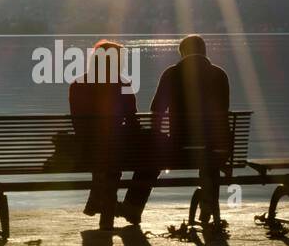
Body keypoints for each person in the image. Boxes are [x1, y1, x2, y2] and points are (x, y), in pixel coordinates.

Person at [120, 34, 230, 225]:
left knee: (149, 156)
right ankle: (208, 207)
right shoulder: (219, 74)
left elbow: (156, 110)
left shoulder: (172, 74)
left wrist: (159, 134)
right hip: (218, 149)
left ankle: (133, 207)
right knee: (209, 156)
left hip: (179, 149)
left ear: (183, 53)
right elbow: (224, 110)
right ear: (204, 51)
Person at [69, 39, 137, 227]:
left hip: (87, 149)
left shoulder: (77, 83)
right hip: (115, 150)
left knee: (103, 150)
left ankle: (97, 198)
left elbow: (78, 123)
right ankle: (106, 207)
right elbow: (132, 120)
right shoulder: (122, 83)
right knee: (113, 151)